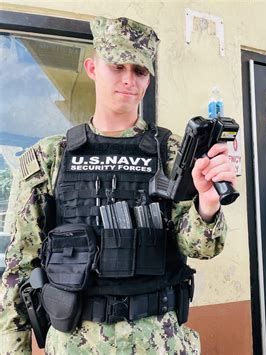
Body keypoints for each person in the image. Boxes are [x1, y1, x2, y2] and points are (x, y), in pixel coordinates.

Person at [0, 16, 236, 354]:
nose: (128, 80)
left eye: (140, 71)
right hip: (76, 344)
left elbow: (202, 248)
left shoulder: (173, 153)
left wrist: (208, 205)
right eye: (117, 66)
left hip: (159, 342)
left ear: (149, 79)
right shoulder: (51, 156)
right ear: (93, 68)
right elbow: (19, 265)